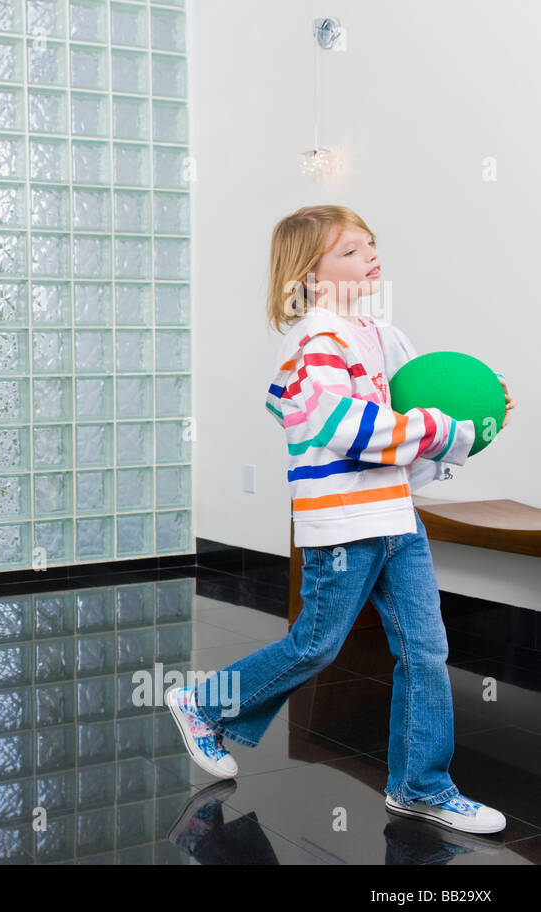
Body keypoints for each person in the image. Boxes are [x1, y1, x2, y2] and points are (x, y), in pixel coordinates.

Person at [166, 205, 516, 834]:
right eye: (350, 251)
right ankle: (203, 702)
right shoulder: (318, 341)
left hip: (396, 519)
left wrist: (477, 417)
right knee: (318, 644)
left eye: (371, 244)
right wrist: (443, 430)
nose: (370, 255)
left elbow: (406, 429)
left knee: (427, 650)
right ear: (311, 273)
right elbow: (348, 430)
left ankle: (421, 786)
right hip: (344, 524)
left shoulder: (380, 337)